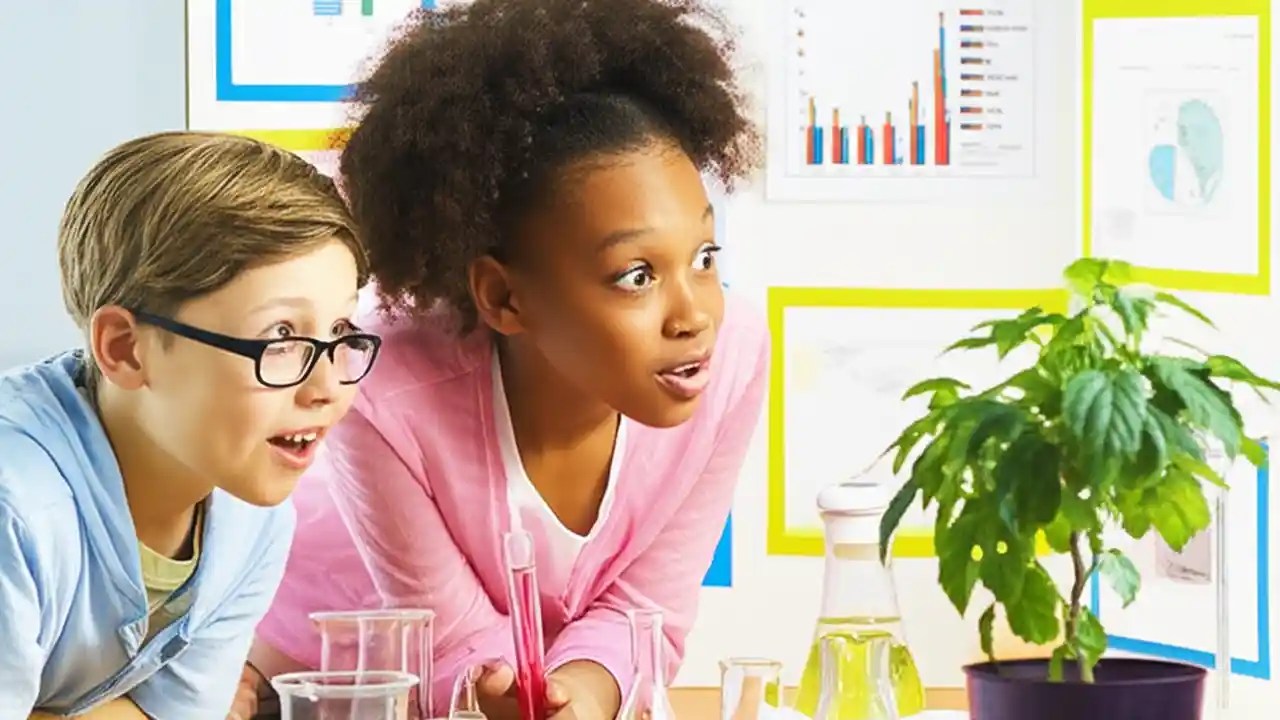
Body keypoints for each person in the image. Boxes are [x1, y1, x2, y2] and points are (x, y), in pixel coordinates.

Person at [246, 0, 766, 717]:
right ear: (503, 296)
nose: (694, 315)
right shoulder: (379, 389)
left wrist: (581, 694)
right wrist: (515, 692)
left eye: (704, 257)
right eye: (636, 275)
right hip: (316, 673)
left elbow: (649, 603)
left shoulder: (732, 356)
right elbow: (443, 639)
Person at [0, 131, 380, 719]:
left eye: (339, 332)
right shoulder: (18, 508)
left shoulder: (251, 522)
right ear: (126, 349)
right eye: (280, 338)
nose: (327, 387)